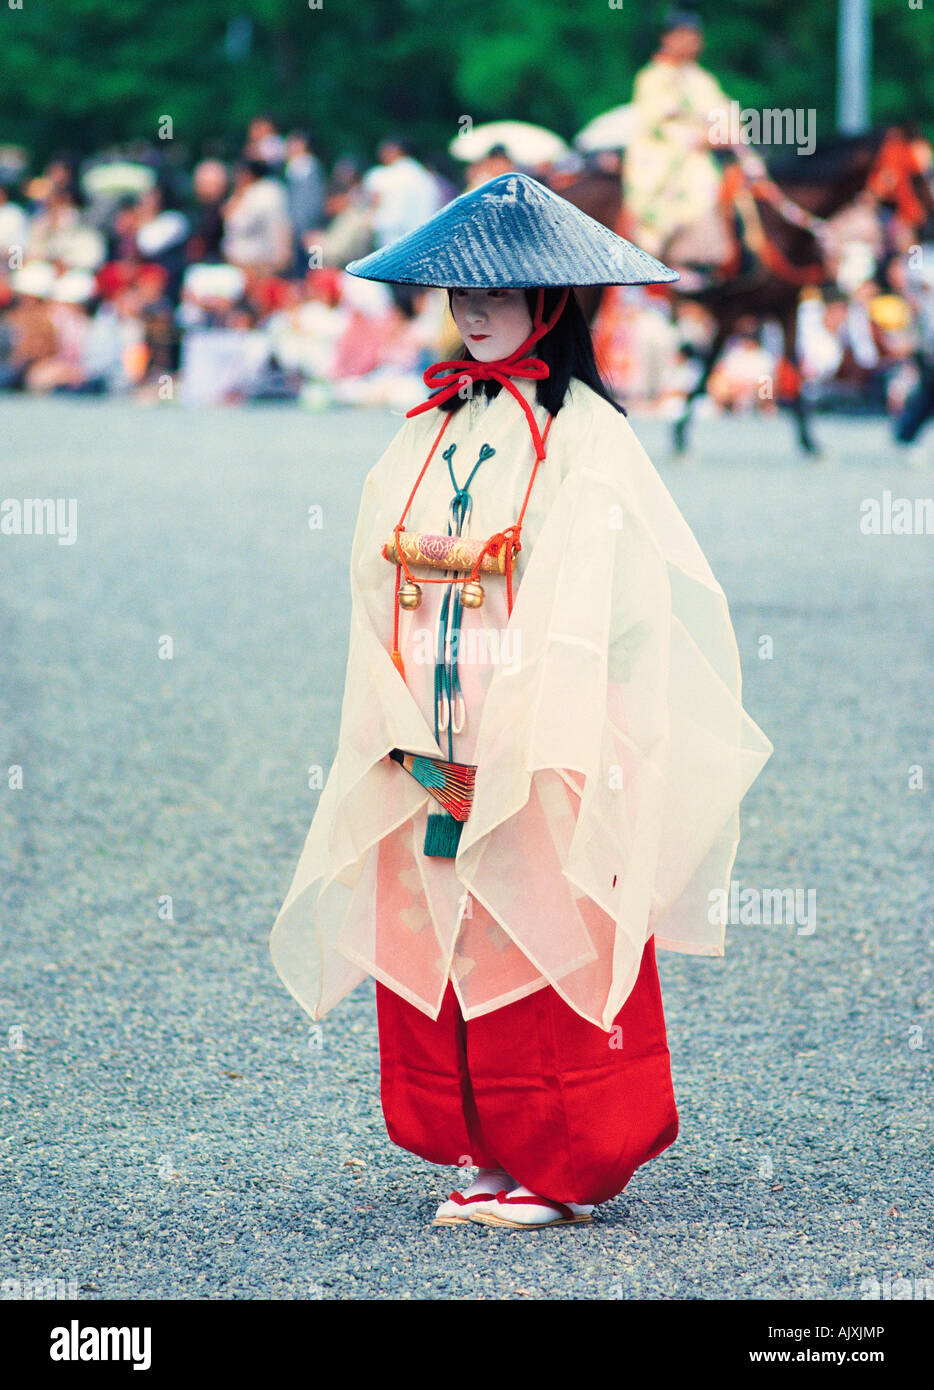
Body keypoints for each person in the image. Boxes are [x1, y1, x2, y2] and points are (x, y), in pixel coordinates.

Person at [268, 172, 773, 1229]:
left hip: (544, 730)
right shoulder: (430, 425)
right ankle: (484, 1149)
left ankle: (560, 1159)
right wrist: (402, 725)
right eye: (459, 295)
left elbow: (599, 601)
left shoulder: (587, 435)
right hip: (429, 732)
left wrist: (519, 729)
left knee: (533, 927)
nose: (474, 310)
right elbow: (374, 571)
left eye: (498, 293)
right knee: (441, 937)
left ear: (552, 301)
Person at [623, 7, 734, 266]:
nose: (692, 42)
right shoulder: (652, 77)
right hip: (667, 153)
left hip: (710, 150)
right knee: (699, 183)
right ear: (668, 38)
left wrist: (724, 135)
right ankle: (680, 256)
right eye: (684, 35)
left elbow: (726, 115)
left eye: (695, 36)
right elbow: (658, 121)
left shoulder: (703, 79)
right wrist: (700, 138)